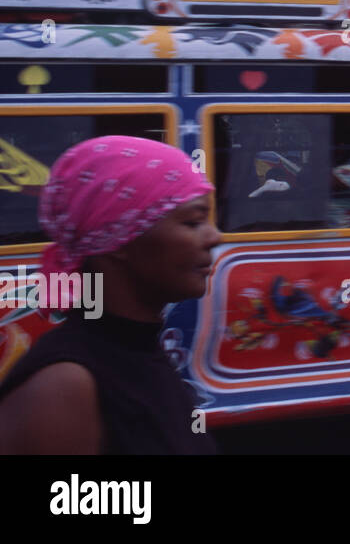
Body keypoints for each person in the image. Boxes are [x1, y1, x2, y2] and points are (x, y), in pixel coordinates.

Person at [0, 136, 221, 454]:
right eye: (193, 221)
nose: (215, 236)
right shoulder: (64, 386)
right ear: (119, 238)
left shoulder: (138, 353)